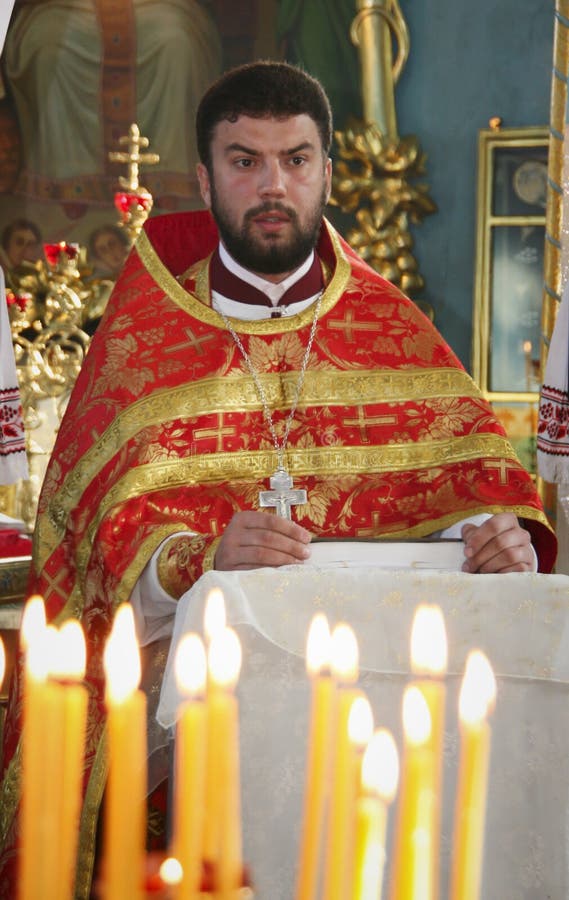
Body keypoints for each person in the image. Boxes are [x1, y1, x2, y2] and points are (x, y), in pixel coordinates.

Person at [0, 61, 557, 896]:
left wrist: (489, 539)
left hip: (389, 741)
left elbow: (464, 486)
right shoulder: (143, 346)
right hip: (183, 755)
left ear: (327, 171)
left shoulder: (389, 327)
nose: (272, 185)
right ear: (203, 176)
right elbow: (86, 550)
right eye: (244, 160)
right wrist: (195, 560)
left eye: (295, 160)